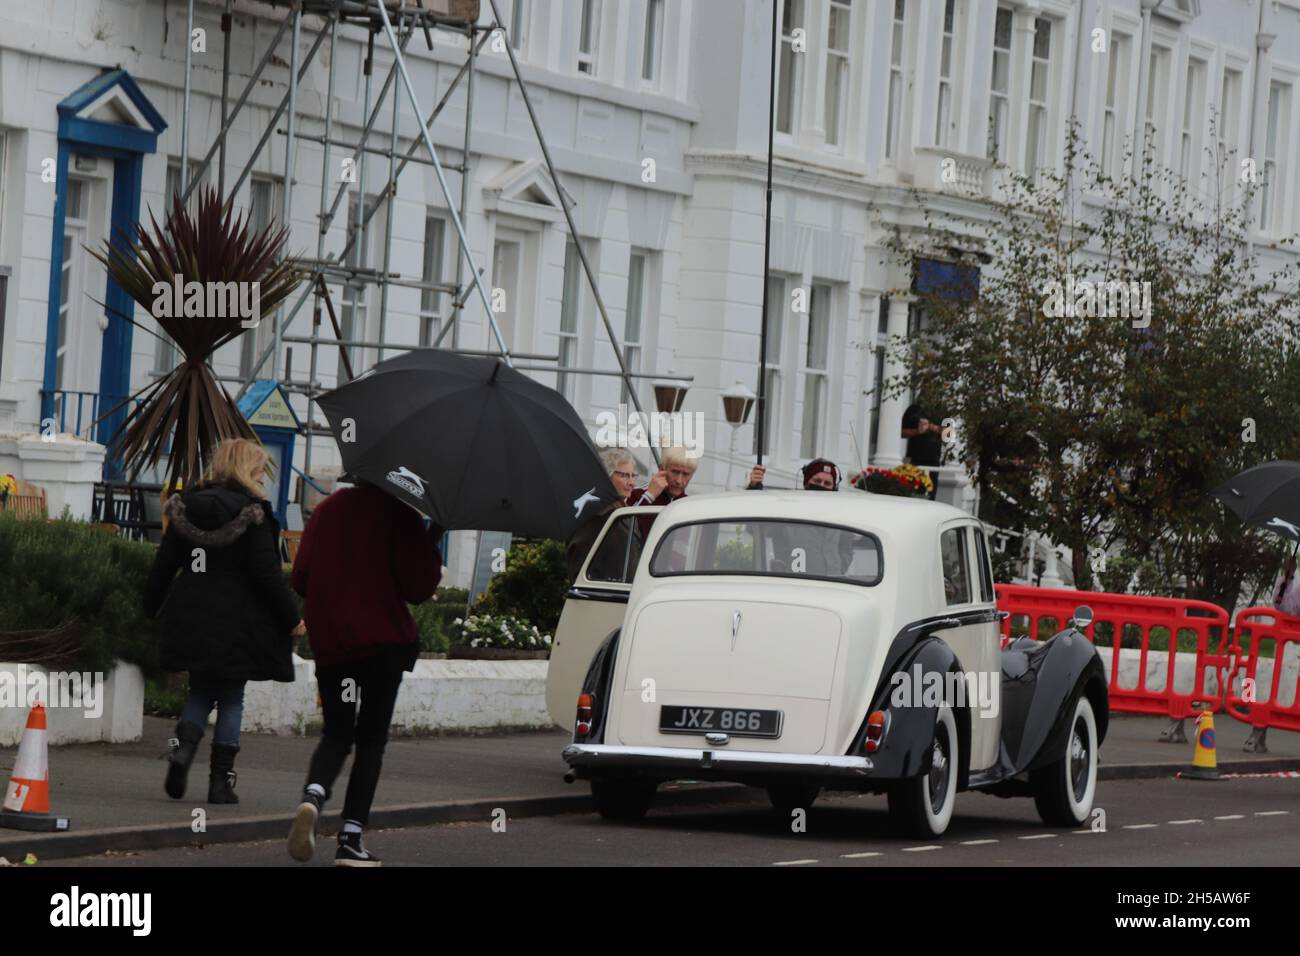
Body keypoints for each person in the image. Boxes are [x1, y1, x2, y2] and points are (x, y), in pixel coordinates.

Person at [287, 478, 444, 867]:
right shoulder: (401, 515)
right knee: (371, 741)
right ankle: (351, 839)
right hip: (382, 649)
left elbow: (301, 577)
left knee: (337, 733)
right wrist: (433, 534)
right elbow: (417, 587)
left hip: (335, 648)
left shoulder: (327, 510)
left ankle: (314, 795)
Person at [143, 438, 305, 805]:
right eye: (260, 468)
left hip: (193, 613)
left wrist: (150, 606)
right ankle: (220, 783)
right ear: (248, 470)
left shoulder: (187, 507)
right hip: (239, 621)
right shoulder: (254, 513)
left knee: (201, 689)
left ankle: (183, 750)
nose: (264, 475)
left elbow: (165, 565)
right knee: (231, 697)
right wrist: (292, 617)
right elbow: (266, 575)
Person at [566, 448, 638, 583]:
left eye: (633, 475)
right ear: (606, 476)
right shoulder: (594, 515)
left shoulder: (625, 512)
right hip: (601, 597)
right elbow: (580, 568)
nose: (631, 482)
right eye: (624, 476)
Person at [630, 446, 697, 539]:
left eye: (685, 474)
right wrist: (649, 496)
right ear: (662, 470)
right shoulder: (637, 494)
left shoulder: (689, 504)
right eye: (675, 472)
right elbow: (626, 527)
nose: (679, 480)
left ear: (692, 476)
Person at [902, 403, 944, 500]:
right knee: (912, 494)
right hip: (914, 460)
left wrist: (930, 426)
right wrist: (918, 431)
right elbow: (901, 432)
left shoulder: (941, 409)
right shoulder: (914, 409)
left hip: (933, 461)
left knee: (930, 495)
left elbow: (950, 434)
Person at [746, 458, 840, 491]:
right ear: (806, 482)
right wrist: (754, 486)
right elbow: (756, 527)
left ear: (834, 488)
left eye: (827, 483)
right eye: (817, 481)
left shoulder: (840, 515)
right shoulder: (790, 509)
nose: (821, 485)